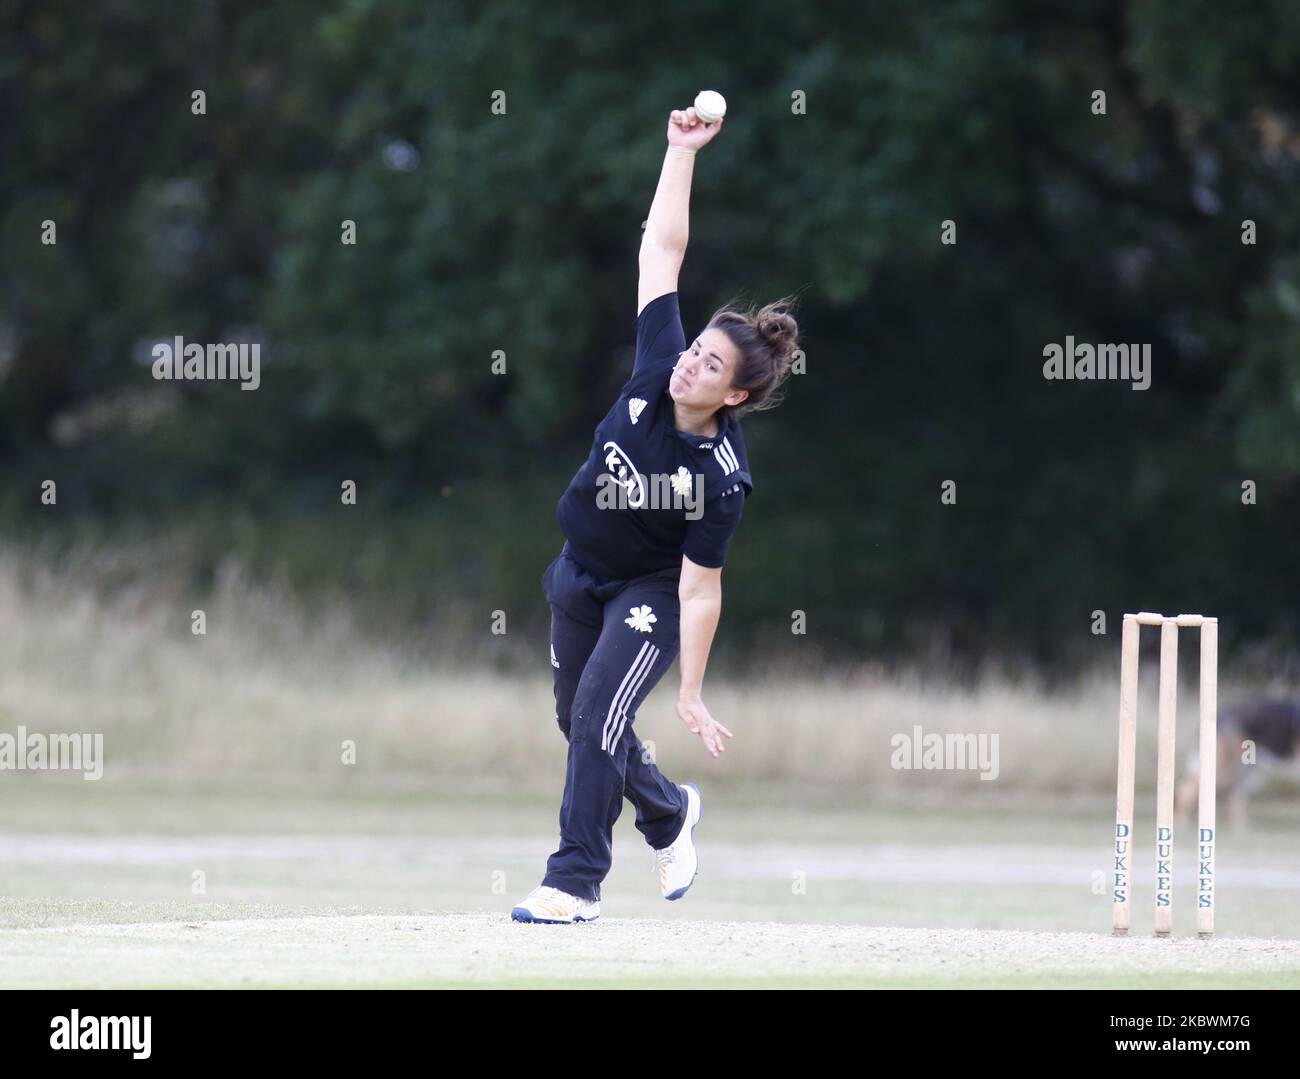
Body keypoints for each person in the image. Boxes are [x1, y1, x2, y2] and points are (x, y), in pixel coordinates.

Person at [511, 102, 800, 923]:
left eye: (708, 365)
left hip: (650, 592)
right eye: (692, 349)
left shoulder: (722, 474)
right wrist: (680, 153)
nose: (687, 365)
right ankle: (670, 809)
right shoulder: (653, 367)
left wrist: (694, 691)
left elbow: (701, 589)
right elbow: (662, 249)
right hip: (579, 571)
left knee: (603, 712)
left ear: (735, 393)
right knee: (576, 719)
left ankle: (574, 881)